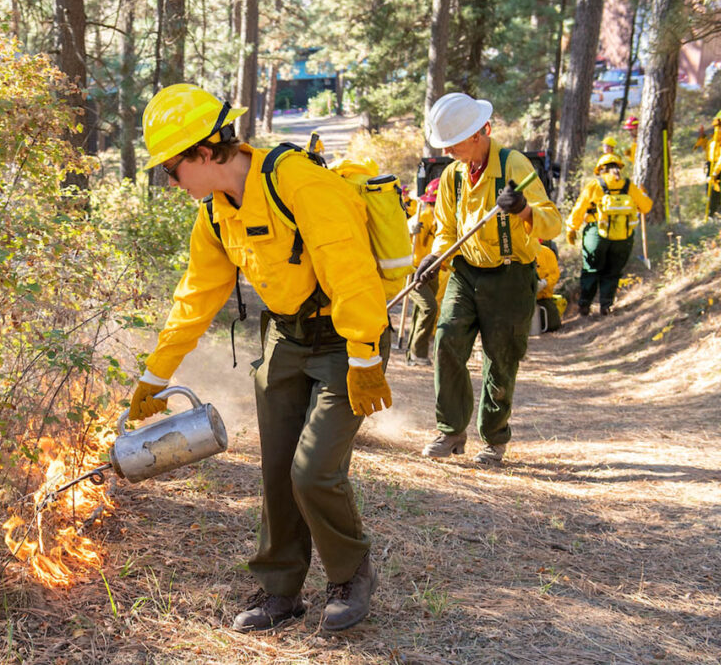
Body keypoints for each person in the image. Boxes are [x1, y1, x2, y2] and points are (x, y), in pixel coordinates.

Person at [130, 83, 392, 633]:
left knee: (312, 471)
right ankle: (280, 591)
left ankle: (351, 574)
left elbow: (351, 275)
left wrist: (366, 357)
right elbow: (195, 298)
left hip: (347, 339)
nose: (168, 181)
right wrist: (155, 376)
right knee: (276, 472)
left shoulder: (297, 182)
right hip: (286, 340)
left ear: (204, 153)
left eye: (170, 169)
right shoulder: (215, 213)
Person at [414, 92, 561, 465]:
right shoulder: (452, 177)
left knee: (501, 359)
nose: (447, 153)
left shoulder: (515, 166)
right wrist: (435, 256)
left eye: (453, 144)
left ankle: (494, 440)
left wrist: (525, 209)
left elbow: (553, 220)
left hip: (511, 278)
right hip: (465, 273)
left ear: (481, 133)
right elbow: (448, 229)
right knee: (446, 341)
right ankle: (450, 431)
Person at [565, 154, 652, 316]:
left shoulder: (594, 185)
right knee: (613, 271)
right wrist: (643, 195)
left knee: (591, 269)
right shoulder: (629, 186)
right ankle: (606, 306)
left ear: (600, 170)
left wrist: (571, 228)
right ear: (618, 167)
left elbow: (579, 208)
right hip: (623, 237)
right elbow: (646, 207)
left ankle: (584, 306)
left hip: (596, 235)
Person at [405, 177, 441, 367]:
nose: (434, 206)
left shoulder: (445, 219)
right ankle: (418, 352)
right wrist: (409, 230)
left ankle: (412, 354)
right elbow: (402, 233)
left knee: (421, 310)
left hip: (432, 271)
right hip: (415, 271)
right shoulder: (421, 217)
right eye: (432, 203)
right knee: (429, 307)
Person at [534, 239, 563, 332]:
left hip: (542, 298)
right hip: (521, 301)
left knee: (553, 324)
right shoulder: (516, 254)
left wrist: (545, 283)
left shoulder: (546, 252)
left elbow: (555, 274)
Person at [705, 108, 721, 217]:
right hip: (711, 166)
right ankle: (711, 215)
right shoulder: (714, 140)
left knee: (718, 194)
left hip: (720, 169)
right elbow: (709, 152)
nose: (718, 128)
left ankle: (719, 215)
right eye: (718, 125)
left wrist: (715, 172)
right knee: (710, 194)